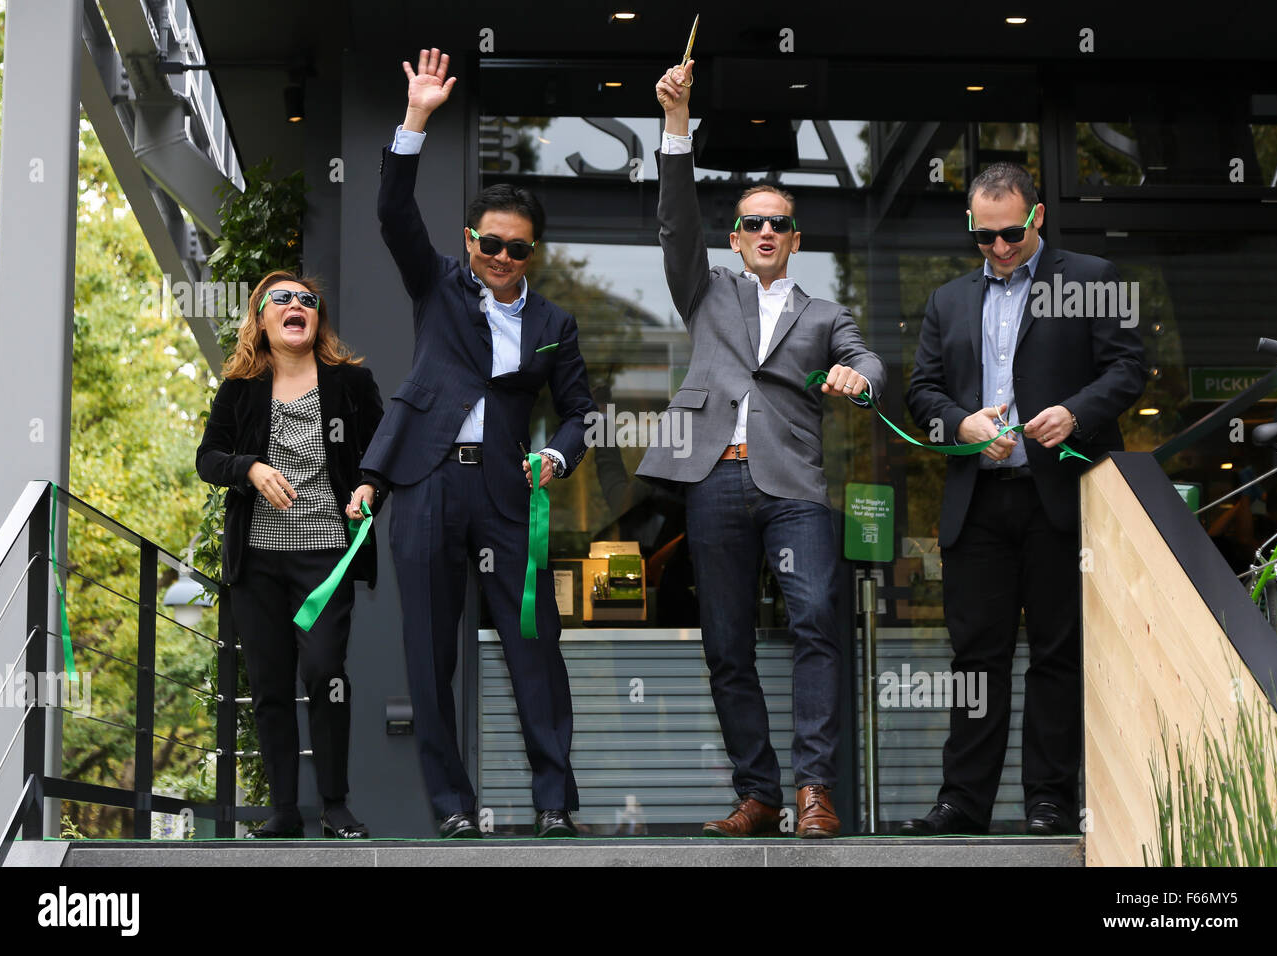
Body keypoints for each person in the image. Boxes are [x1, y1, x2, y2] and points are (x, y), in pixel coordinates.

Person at [636, 60, 887, 839]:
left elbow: (871, 363)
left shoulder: (824, 311)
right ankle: (760, 794)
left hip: (794, 490)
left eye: (779, 221)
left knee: (816, 617)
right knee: (726, 643)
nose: (766, 231)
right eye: (752, 222)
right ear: (739, 238)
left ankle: (816, 789)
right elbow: (678, 223)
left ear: (795, 238)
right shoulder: (707, 291)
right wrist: (676, 126)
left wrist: (857, 377)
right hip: (714, 480)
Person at [359, 49, 595, 839]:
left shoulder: (555, 326)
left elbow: (579, 415)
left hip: (504, 493)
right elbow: (393, 213)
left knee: (535, 648)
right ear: (470, 241)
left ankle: (554, 801)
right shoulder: (437, 284)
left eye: (517, 249)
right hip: (425, 486)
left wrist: (556, 457)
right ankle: (454, 808)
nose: (501, 258)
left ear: (535, 253)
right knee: (429, 658)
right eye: (490, 243)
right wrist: (416, 118)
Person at [902, 162, 1145, 836]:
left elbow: (1130, 368)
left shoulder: (1091, 279)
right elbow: (921, 390)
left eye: (1012, 233)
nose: (1000, 248)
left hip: (1061, 496)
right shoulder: (947, 300)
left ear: (1037, 216)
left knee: (1057, 654)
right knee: (974, 658)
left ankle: (1049, 800)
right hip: (977, 500)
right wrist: (962, 425)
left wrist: (1074, 412)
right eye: (985, 237)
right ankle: (963, 801)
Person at [196, 270, 385, 839]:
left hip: (326, 557)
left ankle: (334, 803)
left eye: (307, 299)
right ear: (261, 318)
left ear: (316, 318)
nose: (297, 305)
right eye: (282, 299)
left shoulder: (351, 383)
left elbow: (383, 450)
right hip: (256, 562)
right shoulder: (241, 386)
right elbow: (209, 458)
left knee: (327, 672)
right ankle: (283, 810)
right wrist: (248, 468)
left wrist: (369, 487)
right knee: (271, 683)